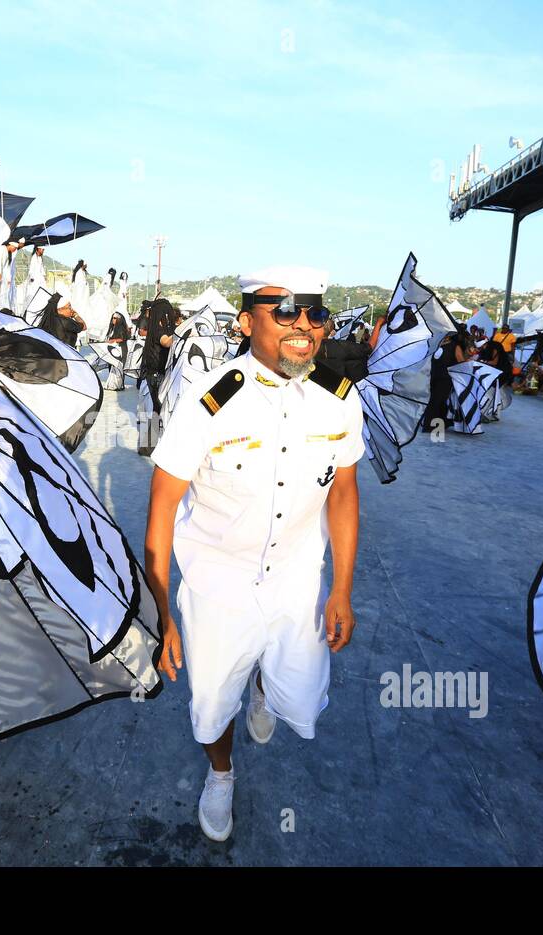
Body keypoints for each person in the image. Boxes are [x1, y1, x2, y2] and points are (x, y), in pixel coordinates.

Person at [144, 265, 361, 842]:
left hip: (294, 580)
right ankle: (221, 774)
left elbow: (343, 491)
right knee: (213, 702)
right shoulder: (210, 402)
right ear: (246, 322)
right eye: (284, 311)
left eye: (315, 313)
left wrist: (340, 589)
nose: (303, 326)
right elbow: (163, 505)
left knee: (303, 696)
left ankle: (265, 680)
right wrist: (161, 609)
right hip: (220, 581)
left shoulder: (337, 400)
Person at [137, 298, 178, 454]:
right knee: (158, 410)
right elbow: (167, 342)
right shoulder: (159, 330)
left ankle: (148, 446)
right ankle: (150, 447)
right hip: (155, 376)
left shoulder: (156, 328)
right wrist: (180, 333)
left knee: (156, 410)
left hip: (155, 374)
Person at [103, 309, 130, 391]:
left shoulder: (121, 327)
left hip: (120, 349)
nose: (113, 319)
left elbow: (122, 338)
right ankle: (114, 384)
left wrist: (112, 341)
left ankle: (118, 385)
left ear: (119, 319)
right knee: (112, 366)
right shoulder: (113, 328)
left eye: (115, 318)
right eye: (112, 318)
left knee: (118, 367)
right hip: (114, 349)